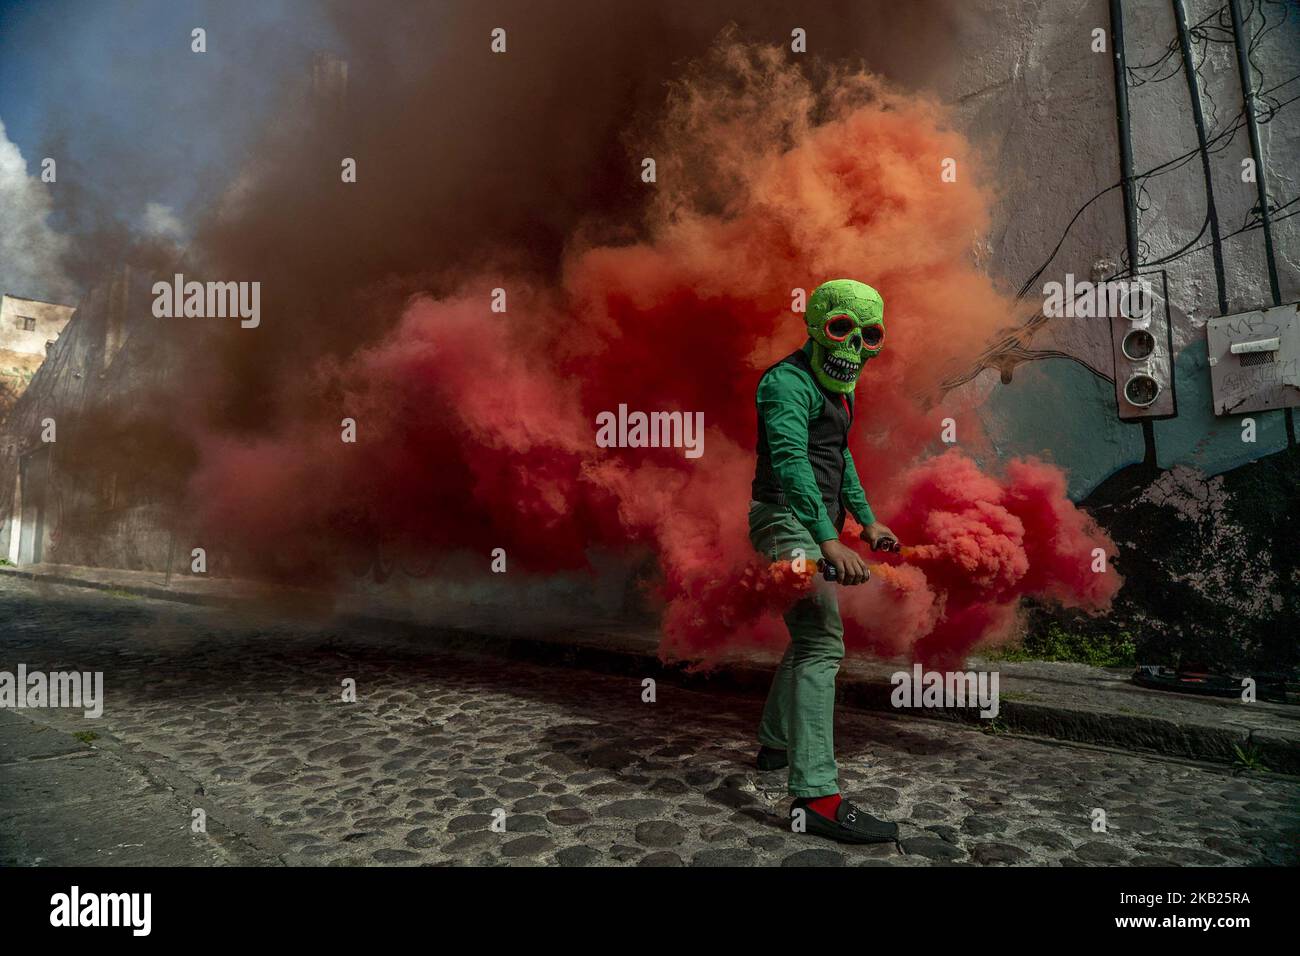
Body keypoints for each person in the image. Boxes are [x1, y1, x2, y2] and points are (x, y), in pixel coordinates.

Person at [748, 278, 901, 844]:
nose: (854, 347)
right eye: (842, 330)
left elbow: (841, 455)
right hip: (783, 521)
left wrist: (865, 521)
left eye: (869, 337)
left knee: (807, 637)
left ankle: (774, 743)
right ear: (815, 327)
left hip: (818, 527)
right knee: (821, 643)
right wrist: (826, 539)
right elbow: (791, 466)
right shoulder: (784, 383)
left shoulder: (841, 389)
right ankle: (815, 796)